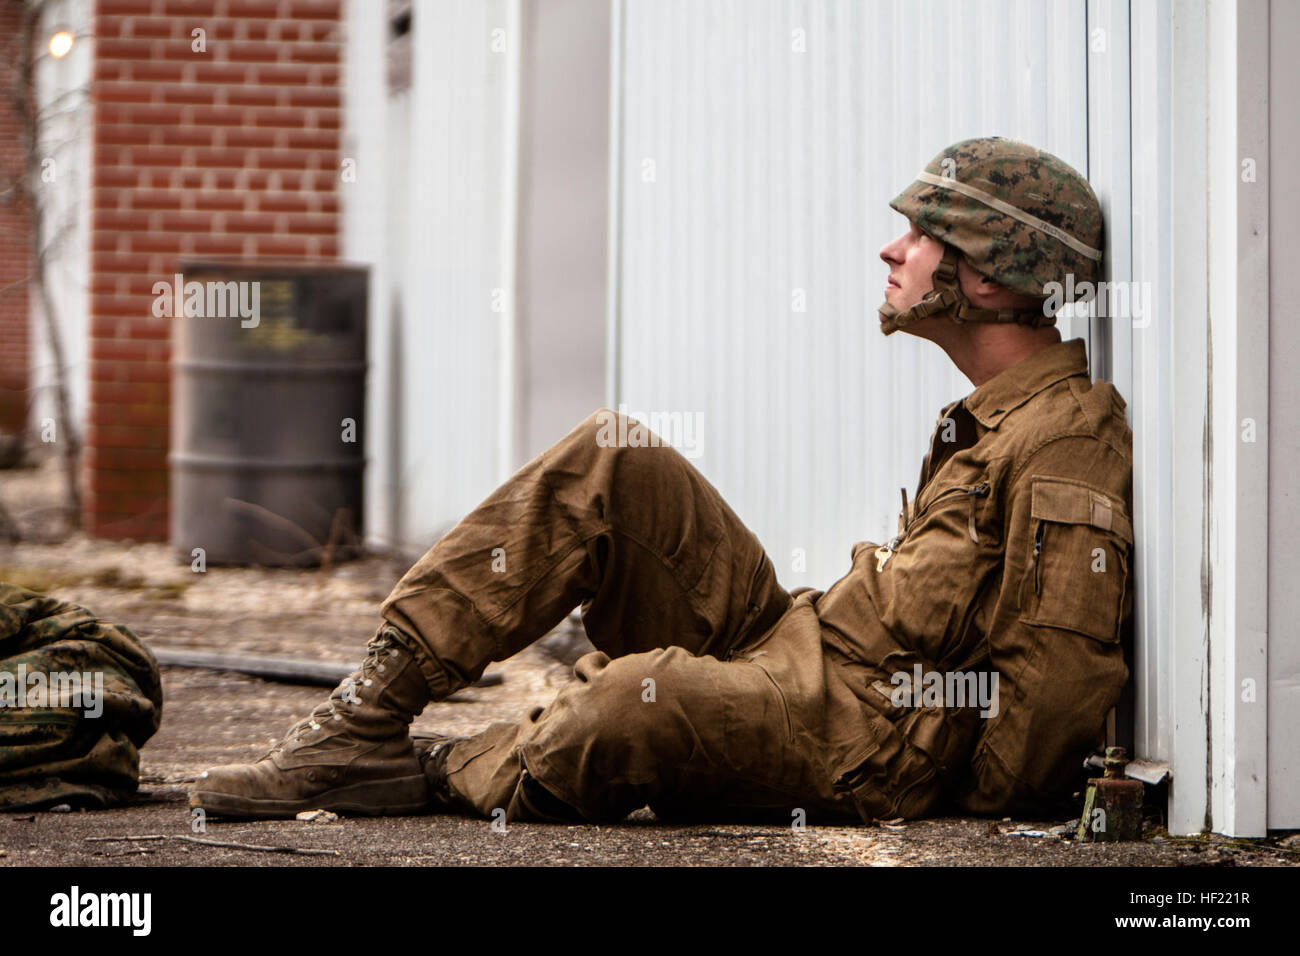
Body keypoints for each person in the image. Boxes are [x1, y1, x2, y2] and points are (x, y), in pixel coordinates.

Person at [191, 137, 1133, 825]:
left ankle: (444, 766)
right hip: (801, 648)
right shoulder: (994, 417)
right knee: (618, 455)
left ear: (995, 282)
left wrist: (953, 802)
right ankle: (363, 718)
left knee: (632, 703)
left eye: (925, 234)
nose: (893, 251)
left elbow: (1052, 690)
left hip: (861, 739)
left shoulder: (1062, 440)